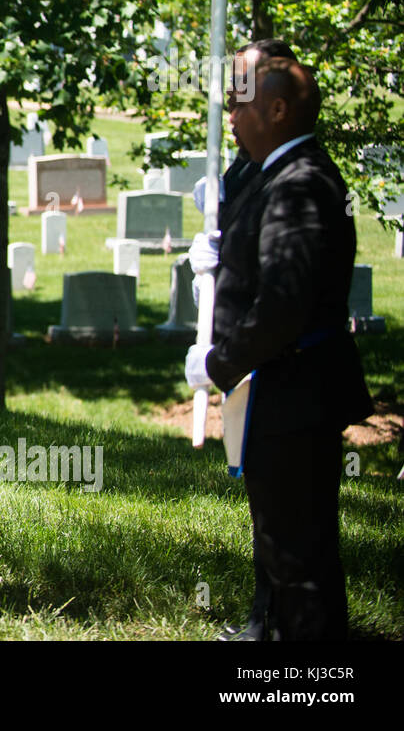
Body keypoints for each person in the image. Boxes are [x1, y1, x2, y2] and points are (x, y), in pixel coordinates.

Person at [185, 57, 372, 640]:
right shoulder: (275, 174)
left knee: (301, 560)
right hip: (280, 389)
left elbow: (284, 306)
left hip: (296, 390)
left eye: (239, 104)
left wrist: (218, 362)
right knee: (281, 543)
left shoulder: (301, 184)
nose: (231, 117)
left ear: (278, 109)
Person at [187, 37, 294, 641]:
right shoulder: (242, 166)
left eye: (242, 96)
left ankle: (287, 637)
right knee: (265, 502)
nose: (232, 111)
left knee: (287, 512)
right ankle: (266, 618)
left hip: (276, 362)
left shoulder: (288, 173)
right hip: (248, 356)